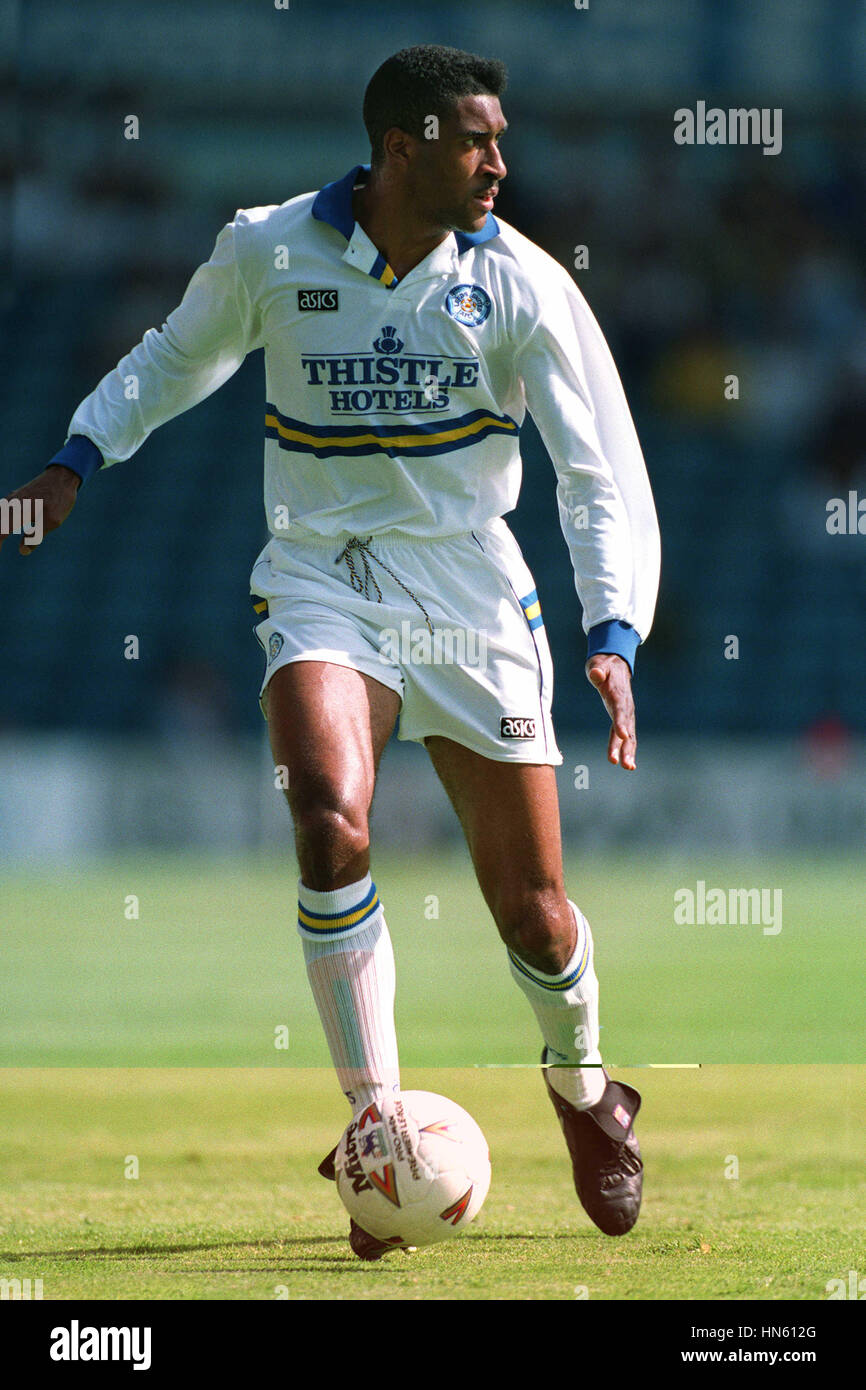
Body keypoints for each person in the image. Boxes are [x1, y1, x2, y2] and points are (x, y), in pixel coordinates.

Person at [0, 45, 660, 1258]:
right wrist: (76, 456)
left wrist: (611, 628)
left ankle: (583, 1091)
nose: (500, 163)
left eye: (500, 139)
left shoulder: (517, 283)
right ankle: (378, 1127)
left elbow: (597, 471)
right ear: (403, 147)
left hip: (468, 588)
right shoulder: (268, 247)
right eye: (477, 141)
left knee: (536, 915)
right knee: (327, 811)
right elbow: (173, 357)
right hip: (322, 574)